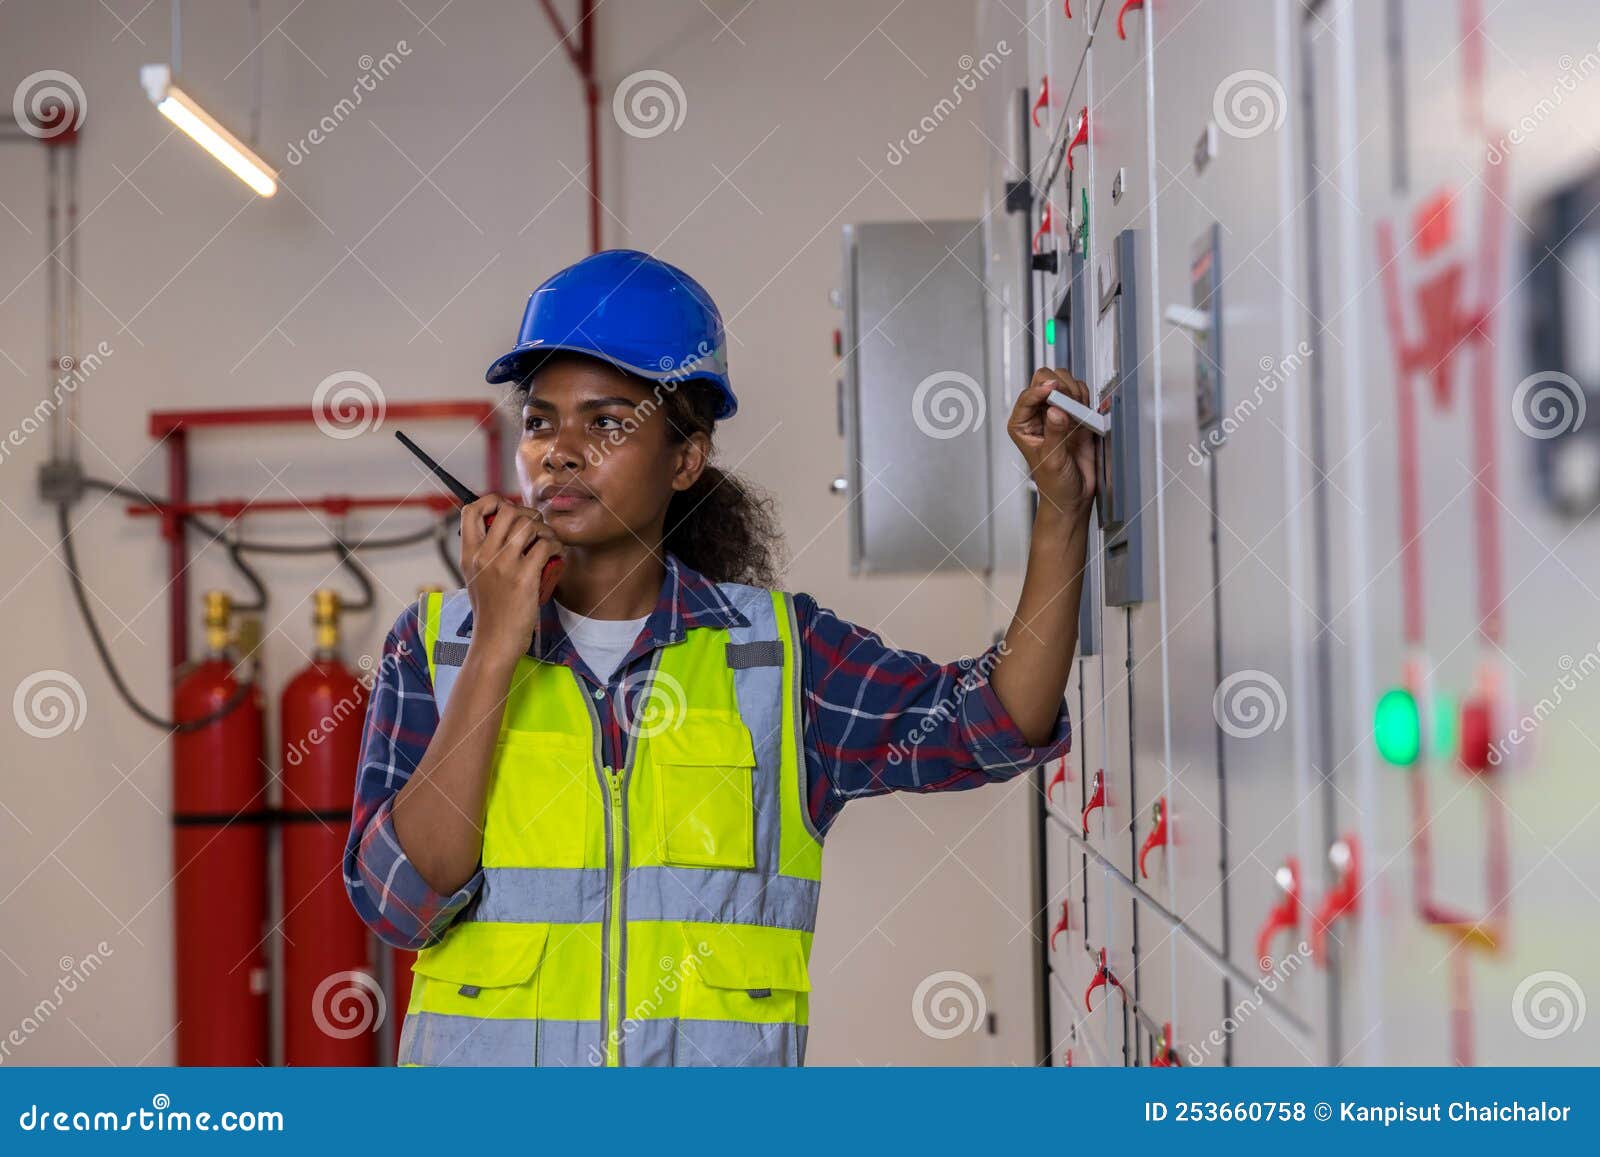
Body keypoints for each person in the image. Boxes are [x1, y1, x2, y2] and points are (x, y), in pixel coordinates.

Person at [343, 248, 1095, 1067]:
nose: (560, 451)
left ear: (686, 457)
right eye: (539, 420)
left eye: (606, 422)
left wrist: (1060, 511)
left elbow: (998, 716)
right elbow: (402, 904)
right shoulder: (434, 647)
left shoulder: (781, 657)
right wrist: (495, 645)